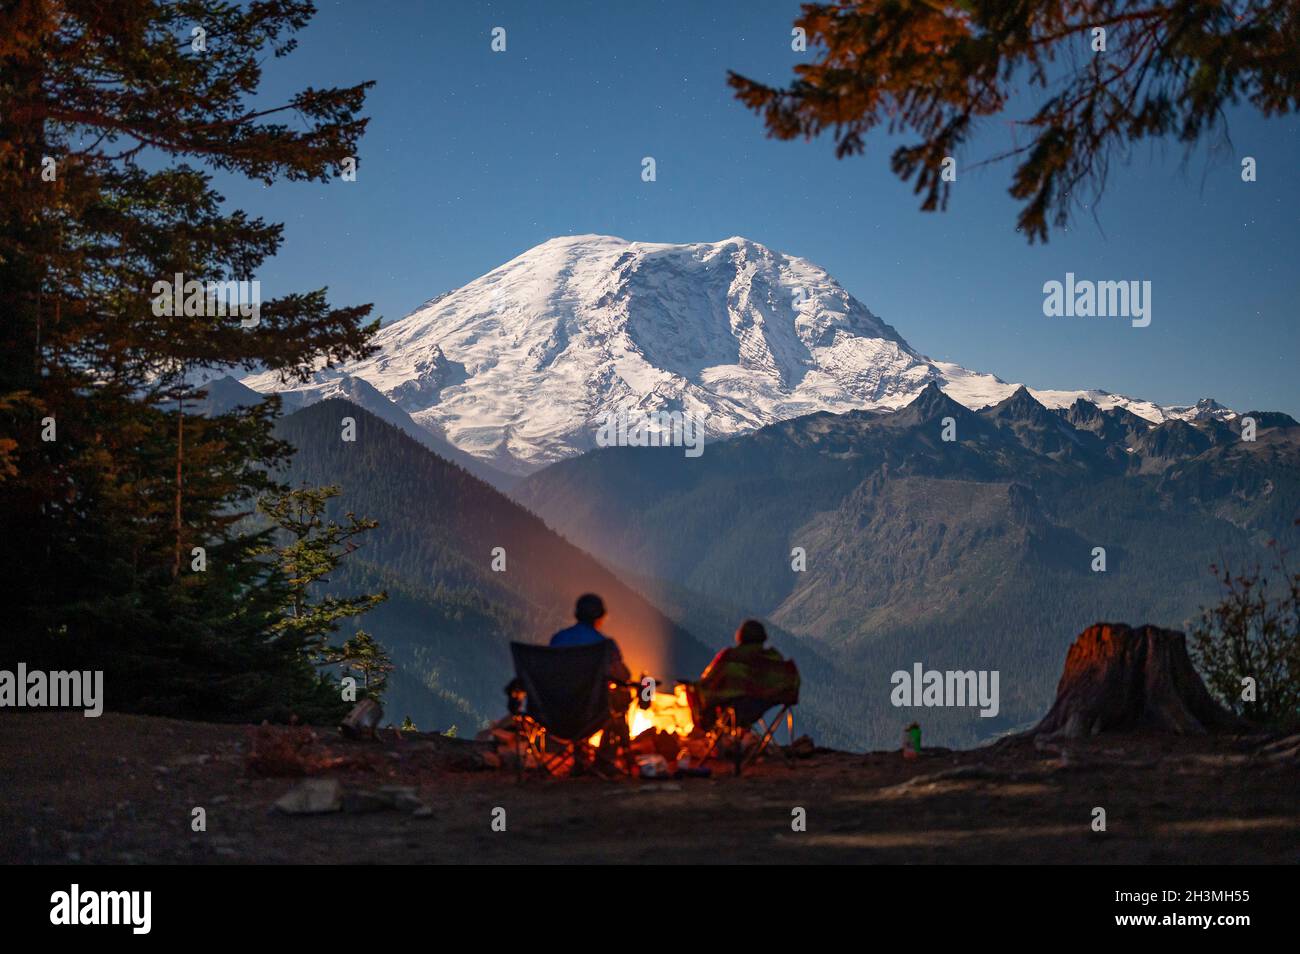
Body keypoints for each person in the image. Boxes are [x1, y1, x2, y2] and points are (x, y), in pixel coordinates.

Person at [696, 619, 799, 719]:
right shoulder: (773, 660)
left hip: (726, 711)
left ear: (740, 637)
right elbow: (791, 683)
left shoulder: (729, 657)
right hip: (756, 709)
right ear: (763, 638)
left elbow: (707, 682)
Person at [549, 593, 631, 684]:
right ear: (600, 616)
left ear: (576, 614)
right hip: (590, 693)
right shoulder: (606, 645)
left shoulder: (558, 638)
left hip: (558, 692)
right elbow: (623, 676)